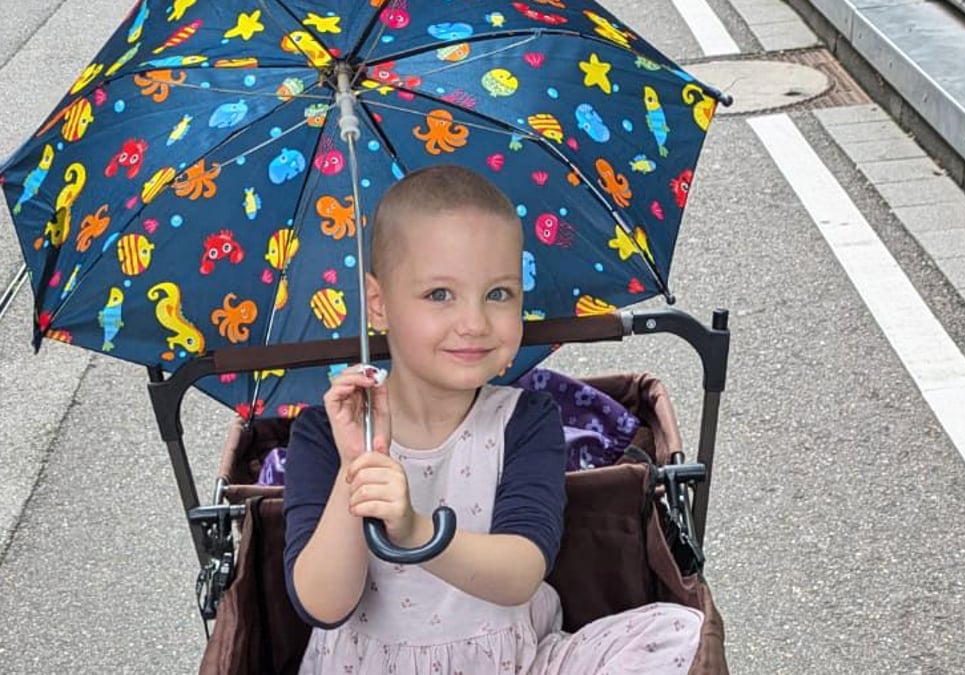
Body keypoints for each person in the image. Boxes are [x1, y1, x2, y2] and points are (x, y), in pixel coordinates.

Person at [283, 164, 703, 673]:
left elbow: (521, 572)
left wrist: (417, 532)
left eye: (498, 294)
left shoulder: (523, 421)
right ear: (378, 303)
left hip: (511, 661)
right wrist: (358, 469)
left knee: (679, 631)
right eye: (439, 295)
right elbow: (323, 604)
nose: (475, 322)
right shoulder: (327, 433)